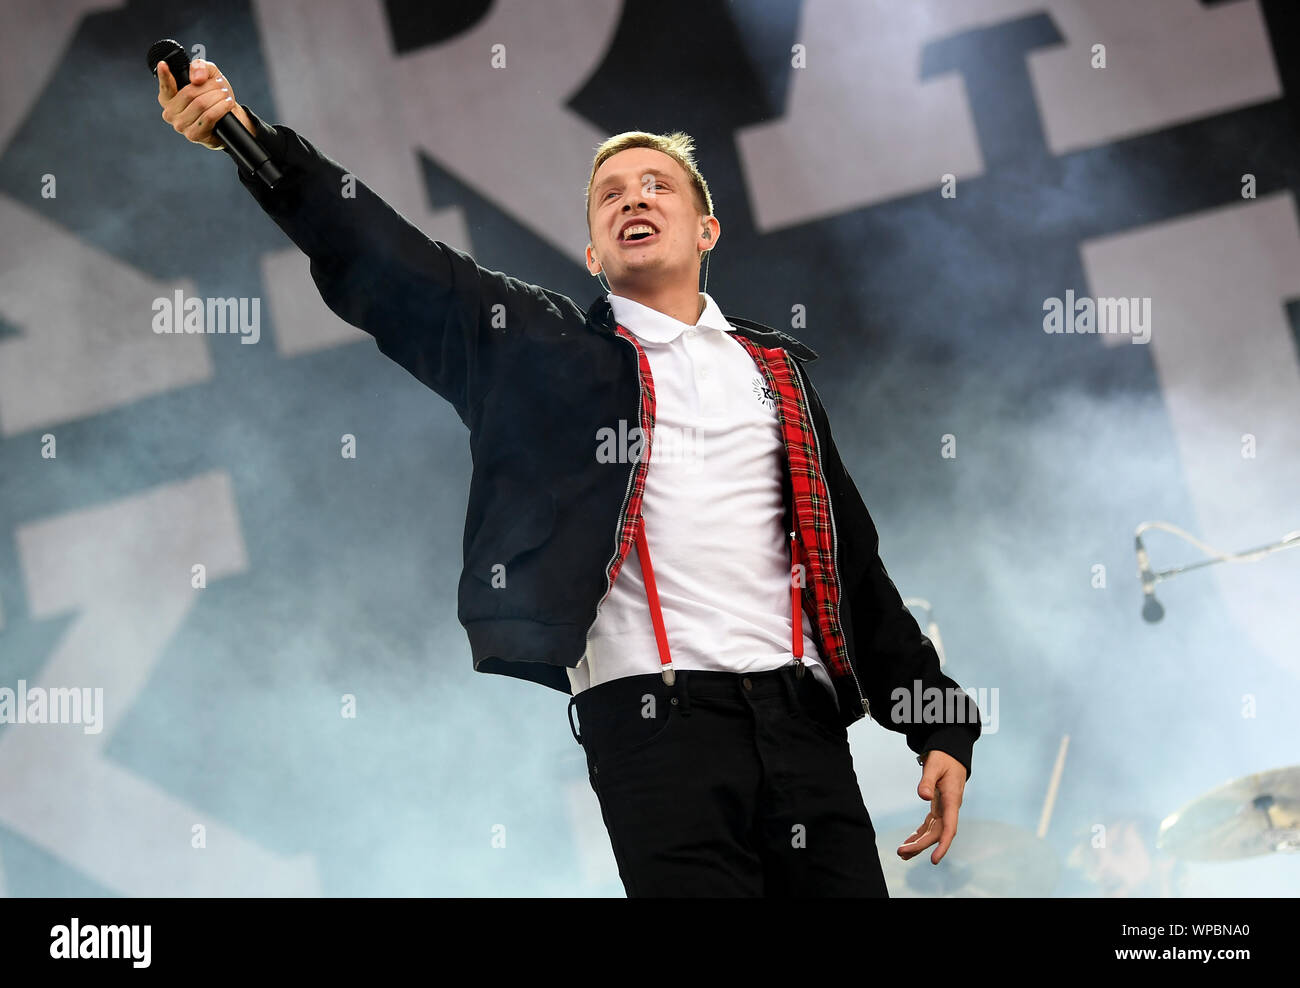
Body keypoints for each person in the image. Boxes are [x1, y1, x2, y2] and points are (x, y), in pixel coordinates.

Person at [156, 56, 983, 897]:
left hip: (802, 719)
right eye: (612, 192)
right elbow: (393, 262)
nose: (635, 197)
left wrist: (939, 721)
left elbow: (852, 565)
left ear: (707, 230)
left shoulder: (776, 375)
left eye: (659, 185)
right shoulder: (540, 354)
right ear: (592, 251)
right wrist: (249, 140)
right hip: (656, 723)